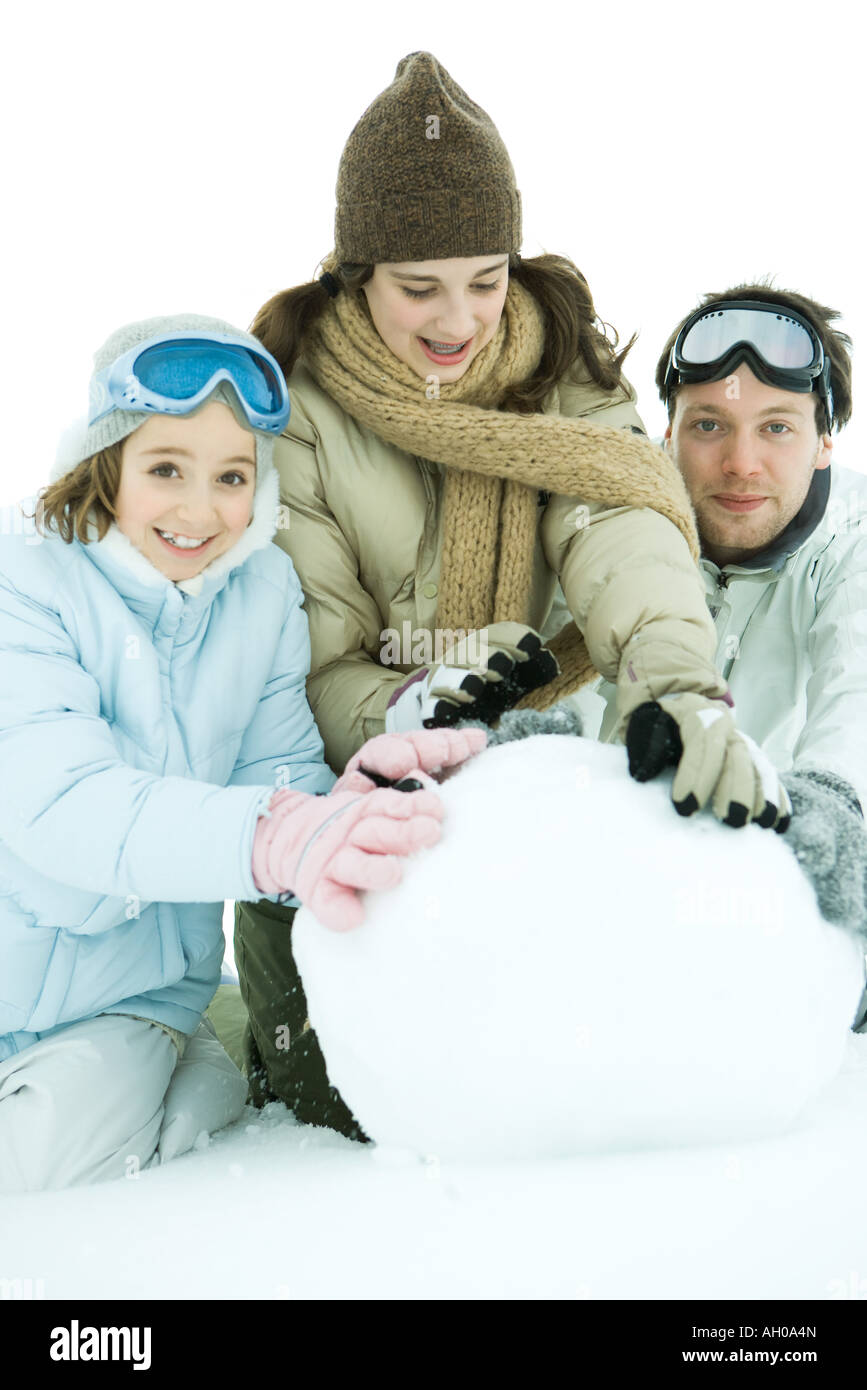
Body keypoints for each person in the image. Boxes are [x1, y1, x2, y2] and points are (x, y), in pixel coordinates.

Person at [232, 52, 792, 1140]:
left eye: (486, 277)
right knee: (326, 1136)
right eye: (420, 285)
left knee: (536, 1112)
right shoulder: (293, 414)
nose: (462, 318)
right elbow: (306, 660)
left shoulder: (563, 377)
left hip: (526, 823)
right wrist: (414, 710)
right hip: (336, 839)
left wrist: (681, 685)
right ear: (355, 274)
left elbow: (617, 523)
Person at [0, 313, 475, 1192]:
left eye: (231, 477)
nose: (198, 509)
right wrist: (272, 834)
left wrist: (337, 802)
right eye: (165, 470)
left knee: (47, 1154)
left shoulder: (259, 593)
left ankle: (182, 1057)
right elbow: (58, 806)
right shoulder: (26, 583)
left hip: (130, 1005)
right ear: (106, 468)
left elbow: (277, 776)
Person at [577, 284, 867, 962]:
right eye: (709, 424)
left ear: (823, 442)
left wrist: (835, 814)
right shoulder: (604, 512)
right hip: (596, 867)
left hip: (764, 872)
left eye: (775, 427)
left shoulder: (853, 539)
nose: (740, 463)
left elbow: (856, 691)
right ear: (668, 430)